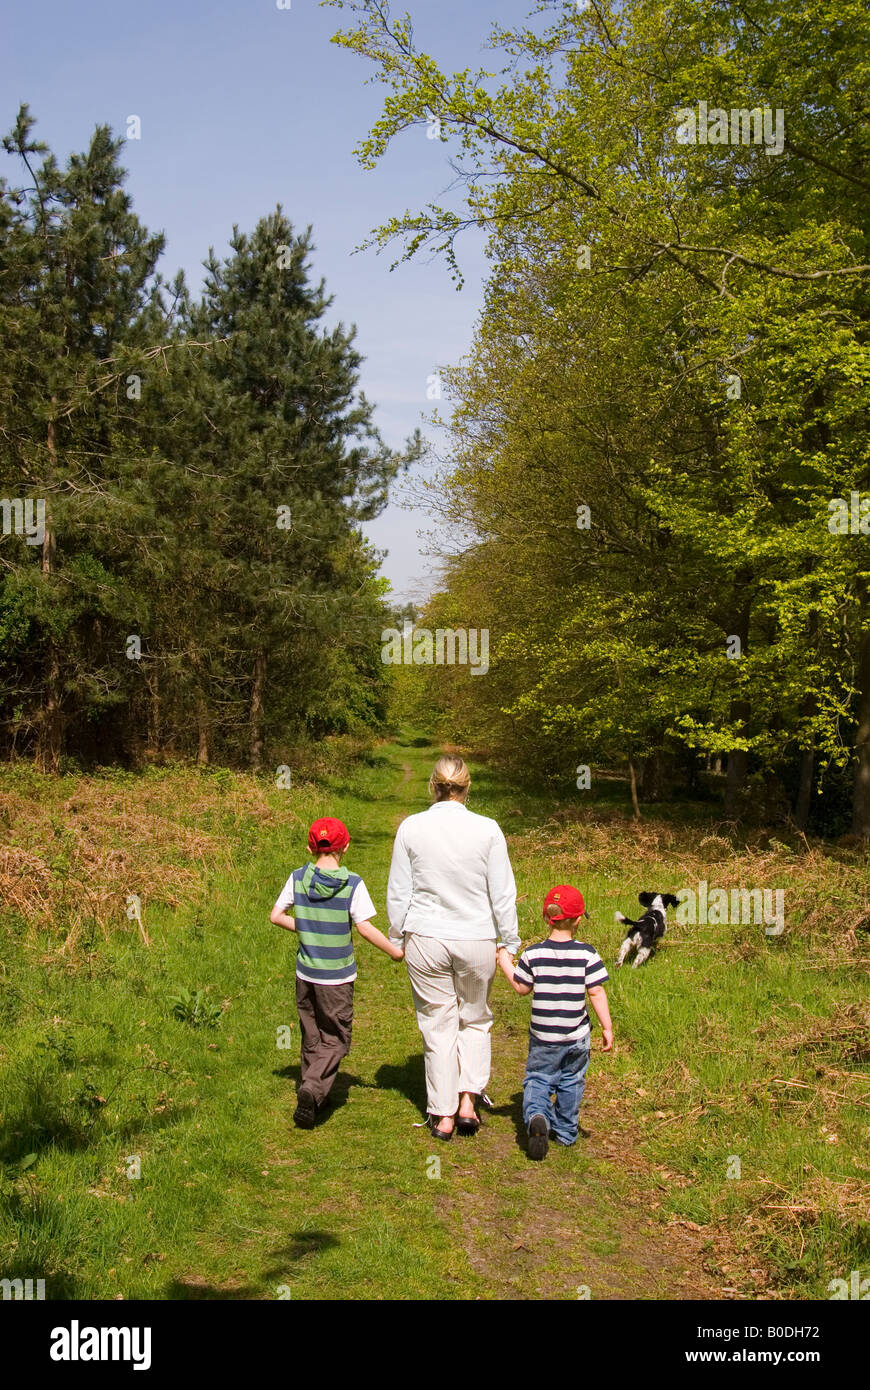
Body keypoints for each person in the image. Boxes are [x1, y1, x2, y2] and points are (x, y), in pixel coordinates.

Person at [387, 755, 521, 1140]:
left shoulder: (412, 827)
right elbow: (502, 892)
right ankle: (467, 1102)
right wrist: (508, 941)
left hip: (426, 936)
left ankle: (442, 1114)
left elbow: (400, 890)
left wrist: (397, 936)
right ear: (467, 787)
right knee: (475, 1018)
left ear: (433, 785)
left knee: (438, 1023)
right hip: (477, 937)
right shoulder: (488, 830)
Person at [270, 815, 404, 1128]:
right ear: (345, 847)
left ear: (309, 847)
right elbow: (365, 928)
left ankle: (315, 1094)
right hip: (337, 978)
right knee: (337, 1039)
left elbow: (276, 916)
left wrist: (305, 929)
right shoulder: (352, 883)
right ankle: (313, 1088)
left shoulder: (297, 878)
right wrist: (395, 952)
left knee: (312, 1033)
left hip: (306, 974)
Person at [497, 884, 613, 1160]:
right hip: (577, 1036)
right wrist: (607, 1027)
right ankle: (566, 1132)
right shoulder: (587, 954)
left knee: (539, 1078)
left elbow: (522, 988)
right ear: (577, 920)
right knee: (572, 1080)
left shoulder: (533, 954)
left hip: (543, 1036)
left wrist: (504, 960)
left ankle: (538, 1115)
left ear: (546, 917)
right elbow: (596, 991)